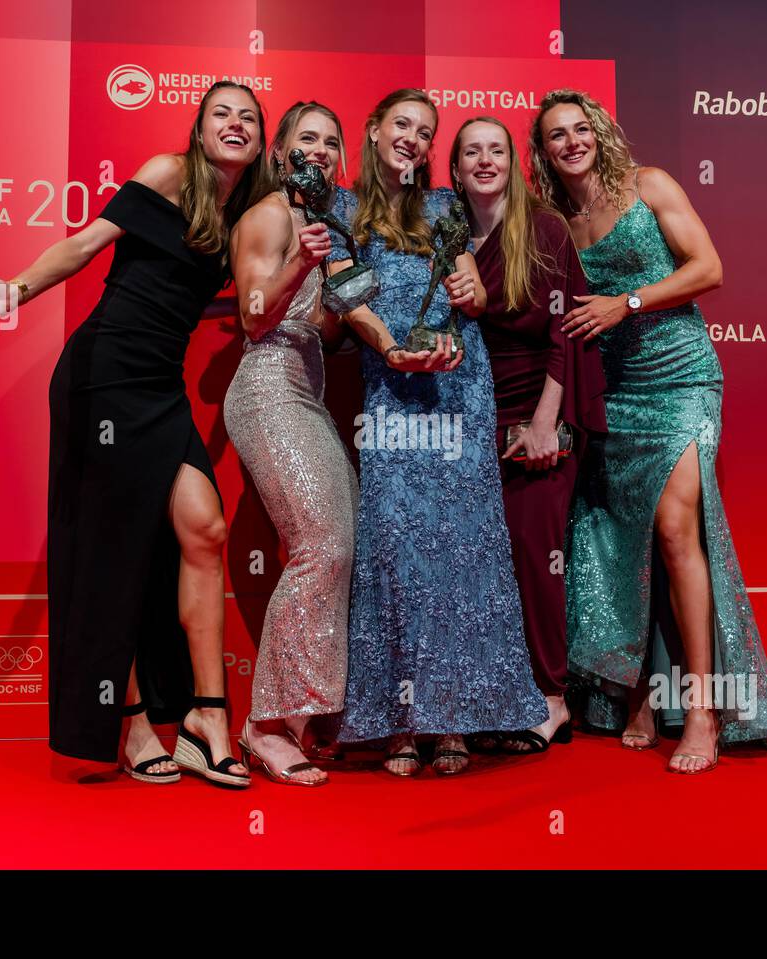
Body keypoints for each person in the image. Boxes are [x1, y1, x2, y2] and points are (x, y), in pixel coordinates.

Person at [0, 81, 273, 787]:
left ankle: (206, 719)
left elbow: (213, 295)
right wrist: (12, 291)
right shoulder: (168, 174)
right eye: (220, 115)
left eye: (249, 117)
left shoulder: (246, 214)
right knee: (117, 551)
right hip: (103, 376)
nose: (235, 124)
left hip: (160, 387)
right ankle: (134, 719)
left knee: (201, 527)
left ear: (261, 140)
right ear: (199, 130)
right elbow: (85, 244)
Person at [531, 89, 767, 773]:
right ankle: (640, 696)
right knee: (627, 539)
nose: (571, 142)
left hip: (681, 380)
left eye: (579, 129)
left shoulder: (646, 184)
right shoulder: (557, 221)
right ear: (542, 152)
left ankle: (704, 711)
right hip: (614, 393)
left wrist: (626, 301)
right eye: (555, 136)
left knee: (678, 530)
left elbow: (707, 269)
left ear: (597, 132)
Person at [327, 89, 547, 777]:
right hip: (391, 388)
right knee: (393, 546)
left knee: (462, 548)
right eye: (403, 125)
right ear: (373, 129)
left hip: (457, 385)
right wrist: (392, 348)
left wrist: (465, 305)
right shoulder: (339, 209)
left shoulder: (446, 207)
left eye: (426, 132)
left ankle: (453, 716)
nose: (415, 140)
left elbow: (474, 295)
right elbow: (343, 295)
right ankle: (398, 721)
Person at [451, 115, 606, 754]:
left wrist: (547, 423)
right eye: (471, 153)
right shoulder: (446, 232)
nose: (485, 161)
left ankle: (551, 699)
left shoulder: (543, 228)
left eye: (497, 151)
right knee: (483, 566)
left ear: (513, 163)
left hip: (539, 411)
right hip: (468, 416)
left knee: (535, 558)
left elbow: (565, 334)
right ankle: (496, 696)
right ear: (455, 168)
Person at [223, 101, 359, 787]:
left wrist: (343, 294)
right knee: (321, 546)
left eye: (333, 142)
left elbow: (326, 332)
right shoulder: (271, 215)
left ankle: (307, 713)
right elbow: (253, 317)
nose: (323, 150)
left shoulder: (326, 223)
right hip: (267, 387)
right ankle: (266, 724)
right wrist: (297, 268)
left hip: (308, 389)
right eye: (308, 139)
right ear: (280, 154)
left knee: (339, 543)